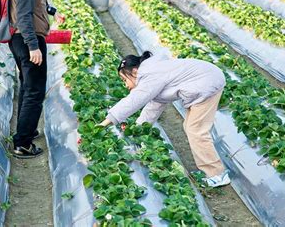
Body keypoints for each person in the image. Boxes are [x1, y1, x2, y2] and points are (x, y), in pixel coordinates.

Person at [99, 51, 230, 187]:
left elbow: (134, 101)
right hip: (204, 82)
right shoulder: (154, 73)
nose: (126, 85)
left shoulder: (150, 74)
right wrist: (137, 130)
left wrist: (106, 122)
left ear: (135, 71)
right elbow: (153, 107)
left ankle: (217, 174)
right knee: (190, 127)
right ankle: (212, 171)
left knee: (196, 130)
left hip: (207, 83)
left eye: (125, 80)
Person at [8, 0, 60, 158]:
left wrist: (51, 10)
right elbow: (23, 15)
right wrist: (33, 46)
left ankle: (24, 130)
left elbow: (34, 3)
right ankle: (23, 143)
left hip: (23, 37)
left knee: (28, 87)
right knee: (34, 91)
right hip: (26, 38)